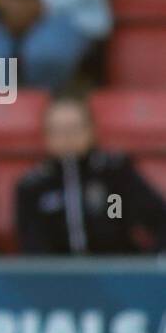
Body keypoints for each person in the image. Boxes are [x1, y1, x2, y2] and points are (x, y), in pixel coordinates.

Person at [16, 95, 166, 254]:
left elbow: (159, 219)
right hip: (58, 276)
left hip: (115, 273)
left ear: (91, 130)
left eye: (74, 128)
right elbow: (32, 248)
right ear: (46, 136)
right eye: (58, 130)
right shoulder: (32, 186)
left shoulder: (115, 172)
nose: (67, 137)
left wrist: (149, 265)